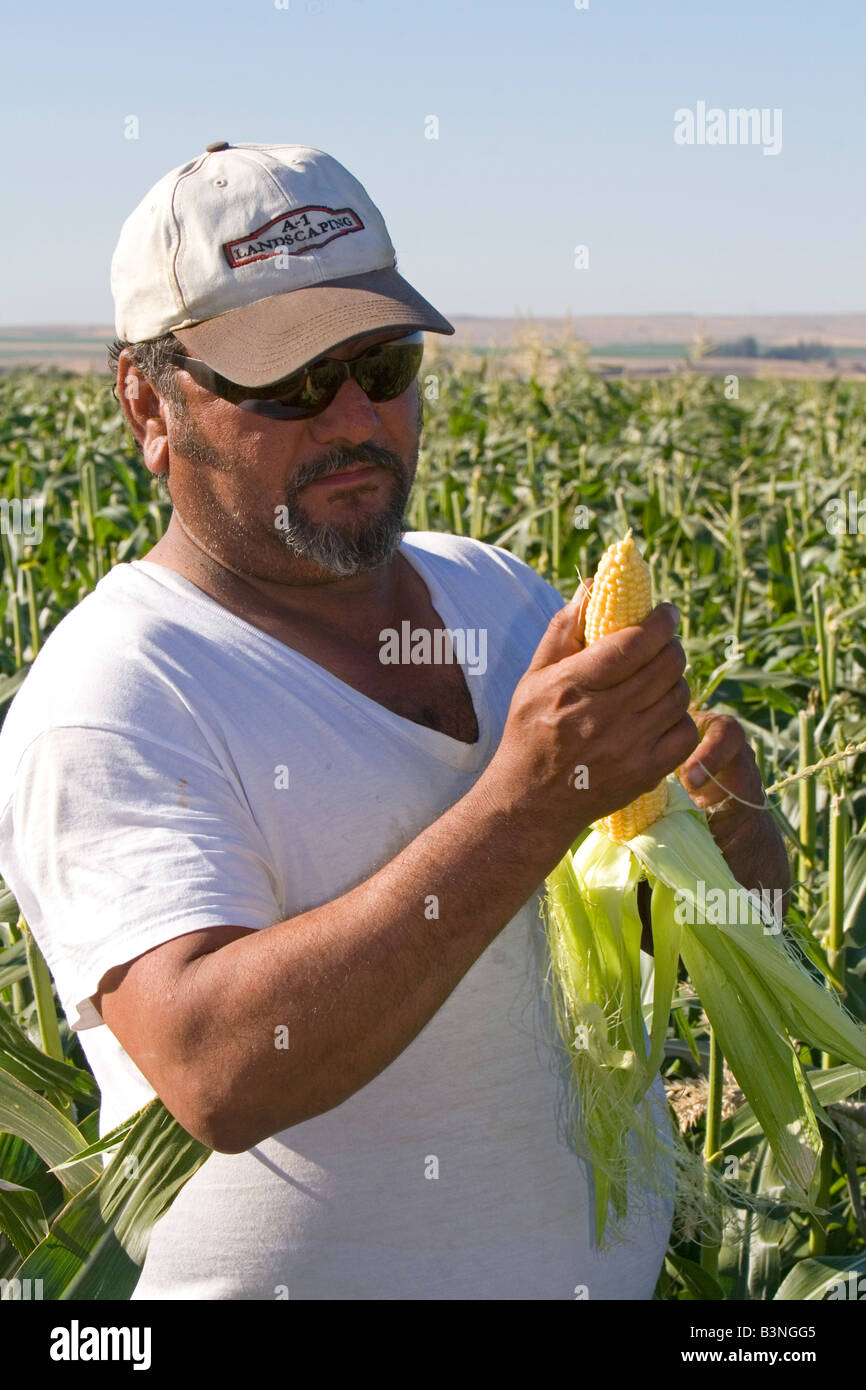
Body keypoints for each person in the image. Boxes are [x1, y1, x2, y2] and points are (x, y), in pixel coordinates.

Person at [0, 141, 789, 1300]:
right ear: (146, 403)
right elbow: (218, 1072)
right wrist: (527, 802)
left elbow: (632, 956)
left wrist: (725, 835)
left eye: (383, 360)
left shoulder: (500, 599)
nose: (355, 417)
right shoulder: (118, 693)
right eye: (289, 382)